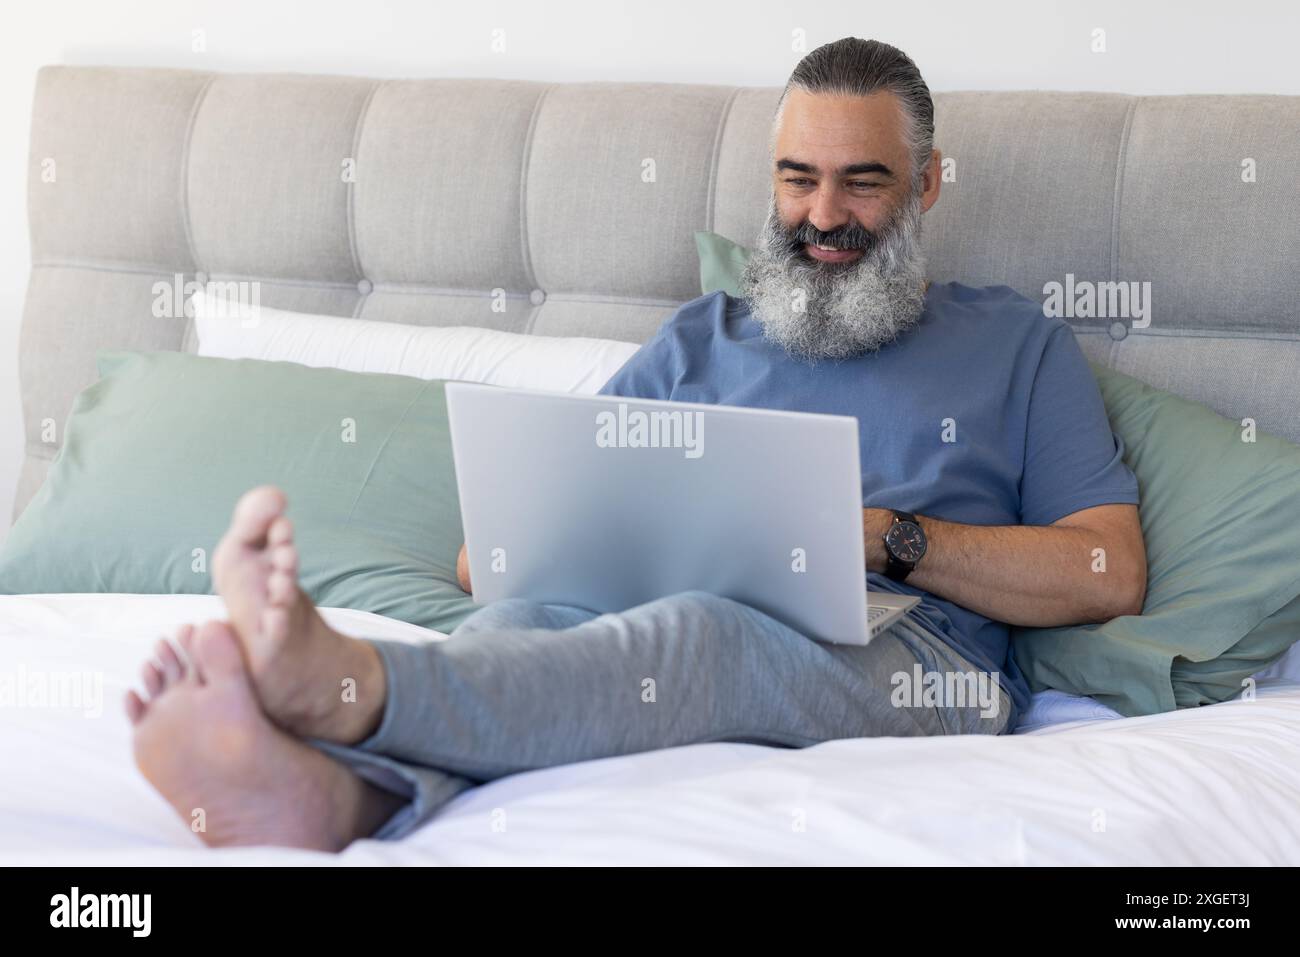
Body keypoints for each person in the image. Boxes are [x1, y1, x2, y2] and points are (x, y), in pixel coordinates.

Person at [126, 37, 1146, 850]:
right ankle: (337, 802)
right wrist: (537, 552)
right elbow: (492, 565)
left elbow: (1109, 571)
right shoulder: (703, 336)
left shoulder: (1016, 343)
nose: (821, 216)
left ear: (925, 186)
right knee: (534, 613)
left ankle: (345, 690)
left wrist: (892, 539)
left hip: (921, 660)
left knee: (706, 634)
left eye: (861, 183)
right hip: (658, 609)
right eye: (796, 180)